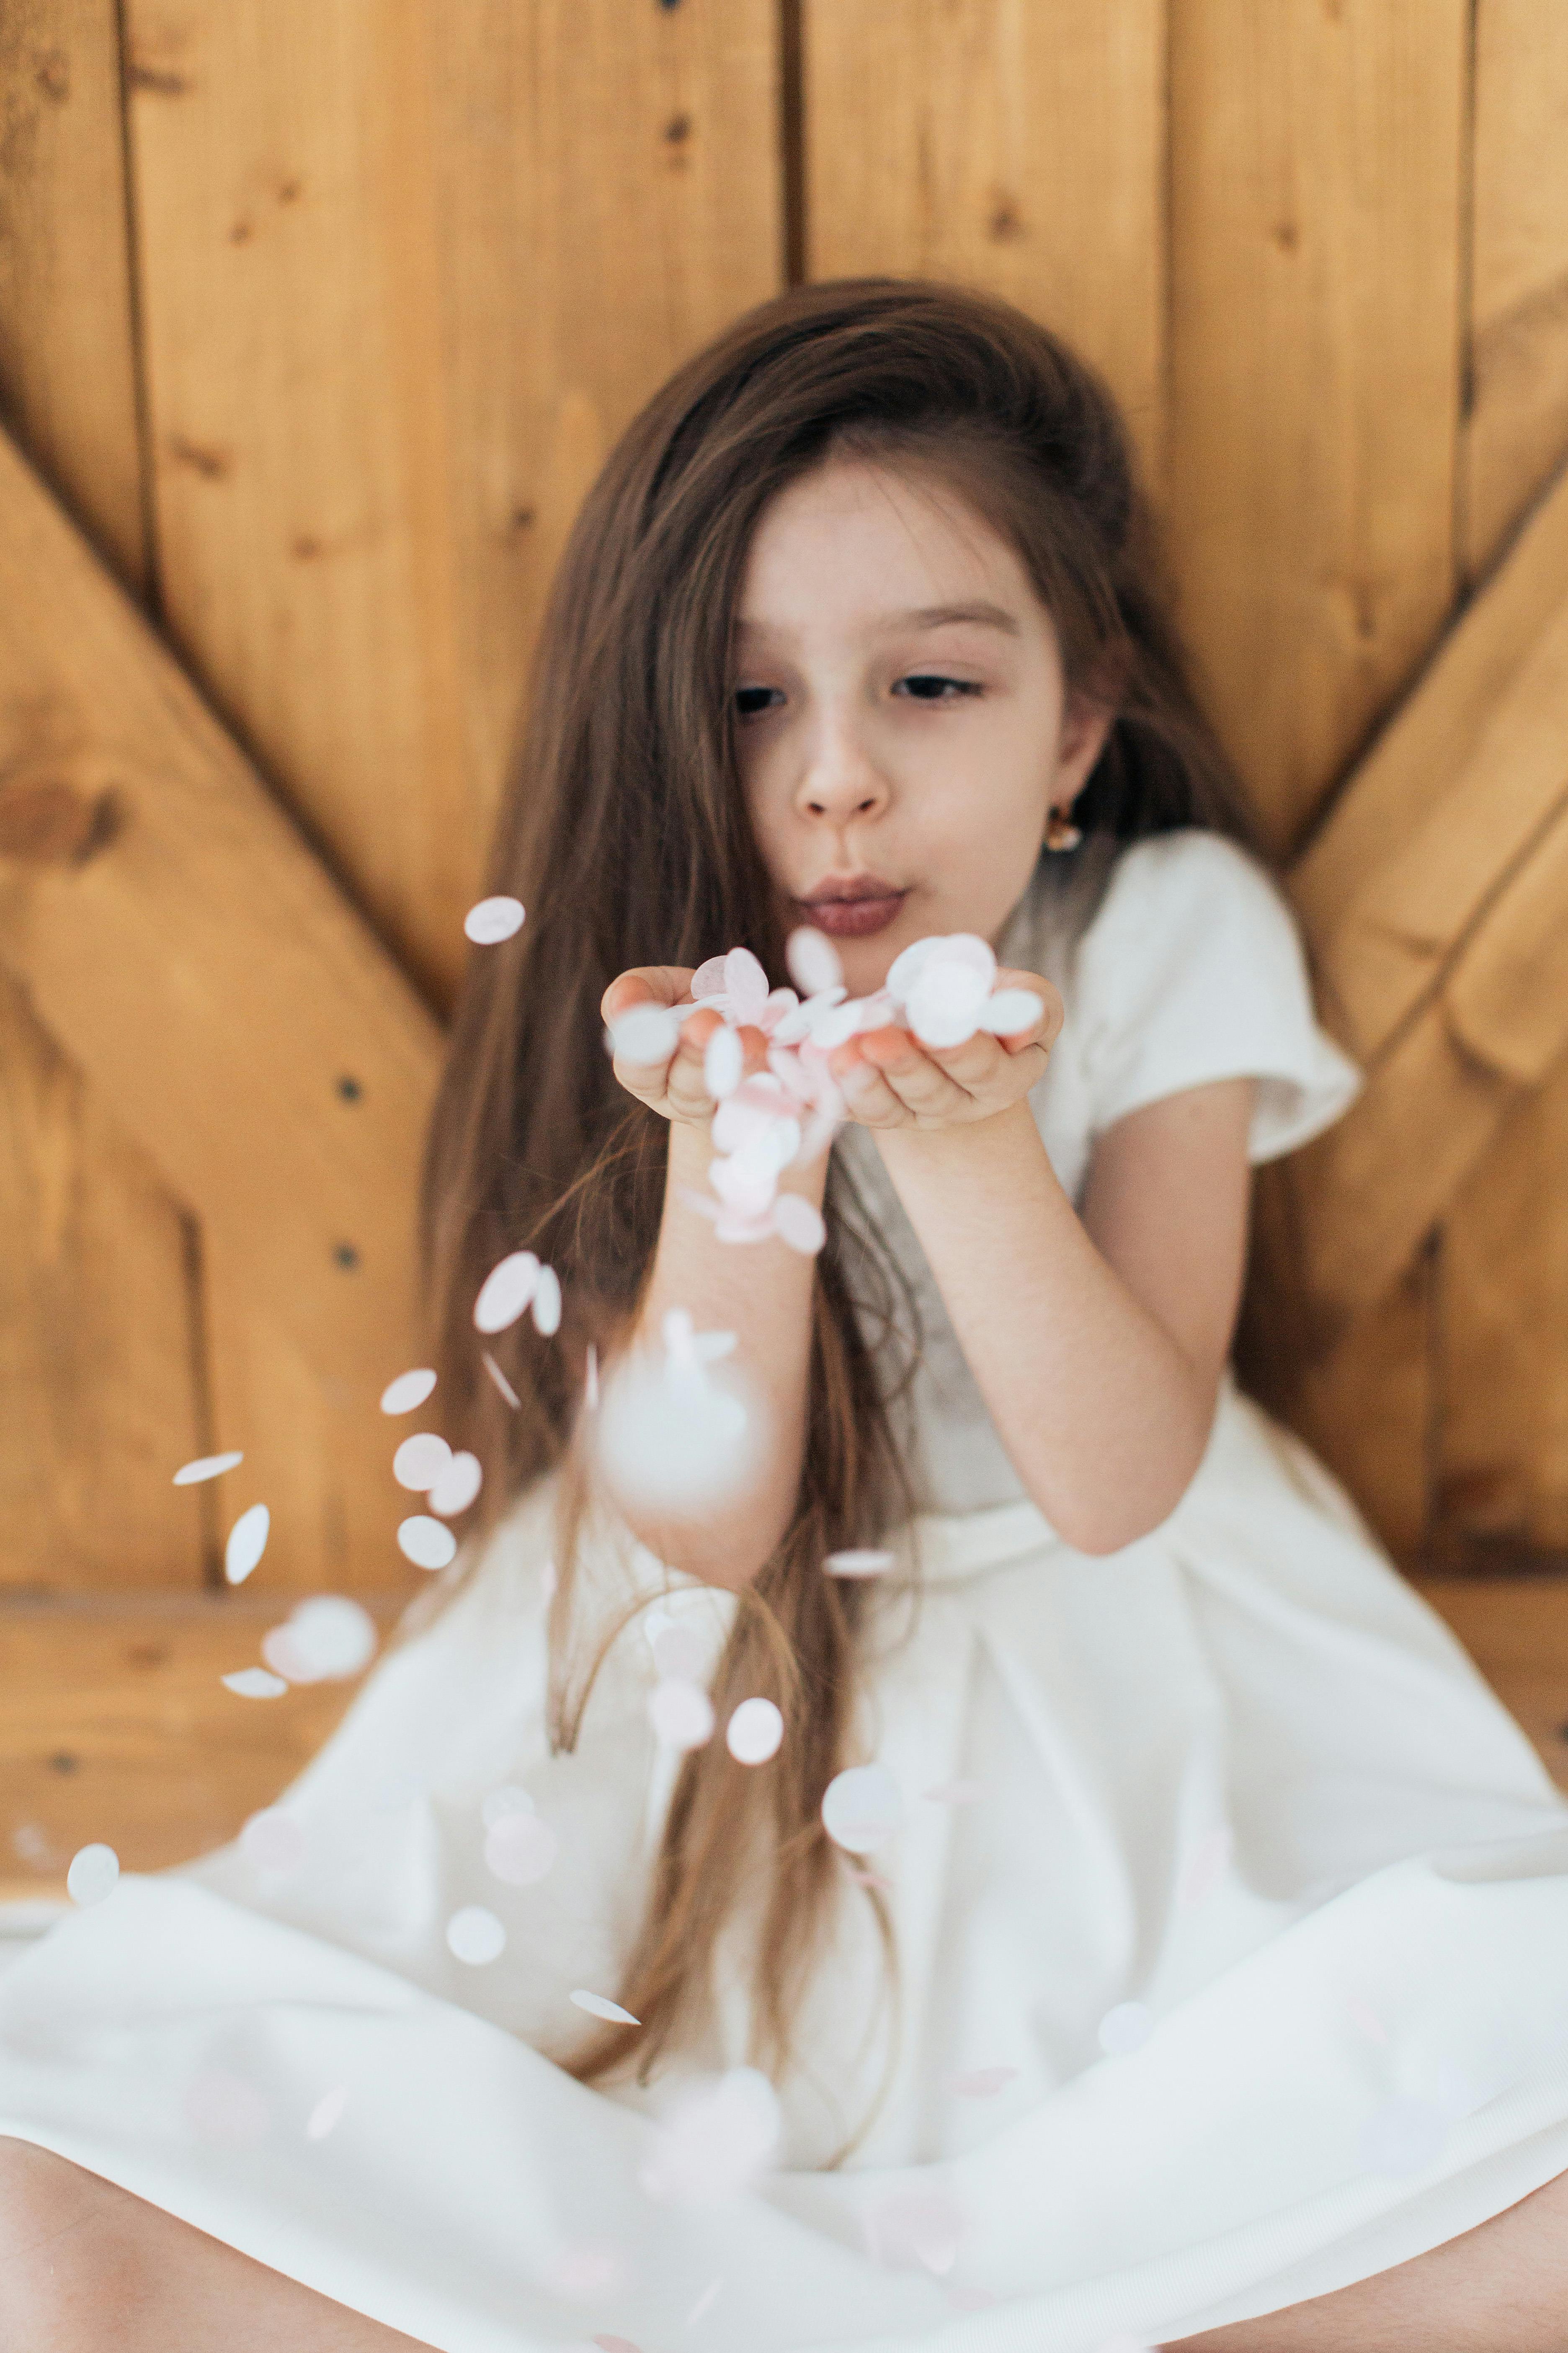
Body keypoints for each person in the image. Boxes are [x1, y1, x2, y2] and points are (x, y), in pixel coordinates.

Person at [5, 278, 1568, 2353]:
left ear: (1077, 725)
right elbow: (700, 1523)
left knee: (1471, 2117)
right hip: (698, 1685)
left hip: (1133, 1676)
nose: (837, 779)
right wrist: (754, 1149)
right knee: (88, 2208)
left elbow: (1119, 1478)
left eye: (930, 687)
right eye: (752, 703)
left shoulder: (1169, 932)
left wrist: (967, 1131)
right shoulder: (650, 977)